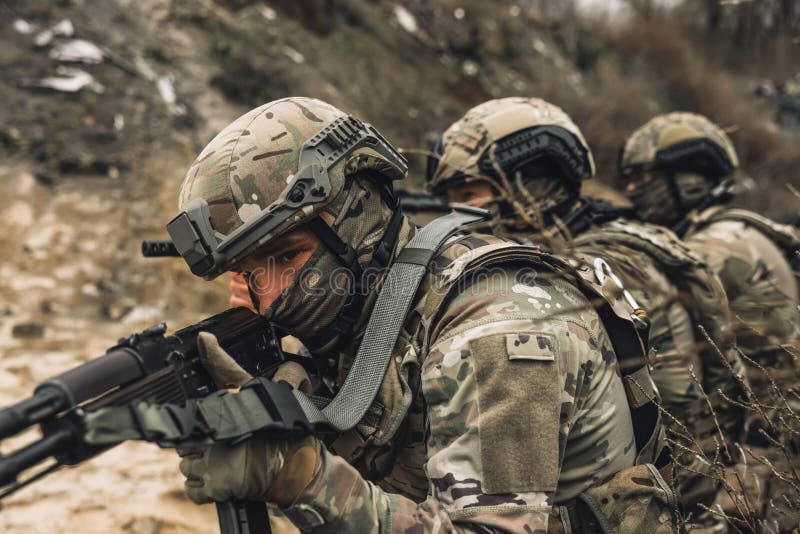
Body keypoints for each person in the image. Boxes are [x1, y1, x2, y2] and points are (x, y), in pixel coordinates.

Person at [168, 97, 677, 532]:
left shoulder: (495, 327)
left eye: (286, 257)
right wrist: (297, 397)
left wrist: (302, 478)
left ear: (359, 213)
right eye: (251, 273)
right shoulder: (377, 308)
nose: (271, 298)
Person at [428, 97, 749, 525]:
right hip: (687, 492)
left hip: (681, 509)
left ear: (531, 184)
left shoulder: (591, 273)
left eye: (468, 194)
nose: (456, 212)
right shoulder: (618, 240)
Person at [619, 112, 800, 400]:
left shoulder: (714, 246)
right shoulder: (735, 229)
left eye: (642, 177)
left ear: (689, 177)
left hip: (764, 431)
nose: (632, 190)